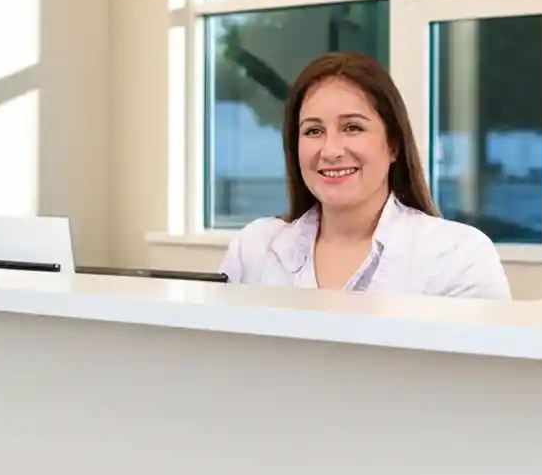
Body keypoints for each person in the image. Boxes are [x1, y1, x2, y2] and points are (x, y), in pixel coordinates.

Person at [219, 52, 511, 300]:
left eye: (352, 128)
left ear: (394, 144)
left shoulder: (458, 256)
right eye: (313, 131)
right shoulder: (254, 249)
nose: (330, 150)